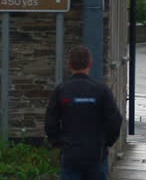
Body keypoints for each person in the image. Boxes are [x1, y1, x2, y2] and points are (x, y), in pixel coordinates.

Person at [44, 45, 123, 180]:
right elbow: (115, 120)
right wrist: (106, 142)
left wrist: (57, 142)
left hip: (70, 154)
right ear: (90, 64)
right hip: (96, 154)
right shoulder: (101, 91)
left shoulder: (61, 90)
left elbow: (50, 122)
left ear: (69, 65)